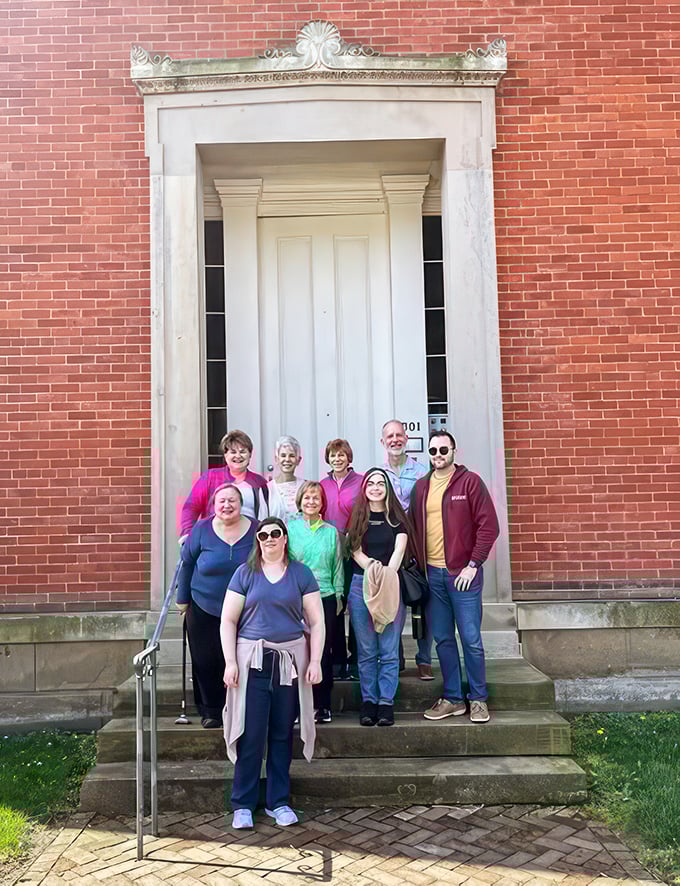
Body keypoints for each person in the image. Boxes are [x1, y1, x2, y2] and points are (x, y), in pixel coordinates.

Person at [221, 517, 324, 830]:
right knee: (251, 734)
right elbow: (228, 620)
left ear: (284, 538)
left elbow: (317, 621)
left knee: (281, 733)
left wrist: (315, 661)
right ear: (257, 540)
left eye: (275, 534)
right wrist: (230, 662)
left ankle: (278, 802)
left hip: (288, 663)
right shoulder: (245, 573)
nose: (269, 539)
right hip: (252, 661)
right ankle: (243, 804)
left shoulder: (300, 574)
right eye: (263, 535)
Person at [410, 430, 500, 724]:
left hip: (462, 575)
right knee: (444, 639)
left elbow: (489, 527)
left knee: (471, 639)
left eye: (443, 450)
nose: (438, 456)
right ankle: (452, 698)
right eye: (433, 451)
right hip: (432, 576)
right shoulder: (421, 487)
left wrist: (473, 564)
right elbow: (412, 528)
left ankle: (478, 699)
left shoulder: (470, 482)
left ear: (454, 451)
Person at [176, 484, 256, 728]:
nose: (227, 505)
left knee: (241, 659)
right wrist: (183, 599)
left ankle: (239, 708)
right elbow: (187, 564)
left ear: (241, 504)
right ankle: (211, 710)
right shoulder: (201, 529)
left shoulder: (256, 529)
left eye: (232, 500)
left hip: (246, 607)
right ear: (213, 505)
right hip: (204, 604)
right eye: (221, 501)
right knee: (206, 659)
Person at [346, 468, 412, 727]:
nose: (375, 487)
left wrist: (383, 575)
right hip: (361, 586)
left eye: (380, 483)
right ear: (364, 488)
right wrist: (374, 570)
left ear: (387, 487)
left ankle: (386, 702)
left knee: (388, 649)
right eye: (370, 483)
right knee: (366, 650)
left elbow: (399, 552)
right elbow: (355, 551)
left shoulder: (397, 518)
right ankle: (369, 701)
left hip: (390, 585)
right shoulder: (357, 517)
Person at [380, 419, 433, 681]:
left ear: (406, 439)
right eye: (390, 436)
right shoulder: (378, 476)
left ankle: (424, 659)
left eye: (399, 435)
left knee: (421, 601)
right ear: (383, 442)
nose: (395, 440)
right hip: (389, 550)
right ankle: (397, 657)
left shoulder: (422, 473)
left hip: (416, 547)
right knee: (392, 603)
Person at [287, 481, 343, 724]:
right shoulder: (289, 529)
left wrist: (339, 594)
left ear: (323, 503)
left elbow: (338, 566)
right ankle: (298, 705)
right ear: (300, 501)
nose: (311, 502)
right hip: (296, 598)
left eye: (316, 498)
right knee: (298, 651)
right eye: (307, 497)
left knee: (323, 651)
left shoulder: (331, 532)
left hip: (325, 597)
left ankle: (322, 705)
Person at [320, 438, 363, 682]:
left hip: (354, 549)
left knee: (355, 603)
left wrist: (352, 538)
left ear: (349, 457)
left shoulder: (360, 481)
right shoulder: (322, 484)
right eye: (333, 455)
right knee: (334, 603)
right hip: (329, 552)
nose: (338, 459)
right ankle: (336, 660)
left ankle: (356, 660)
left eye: (342, 455)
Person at [180, 430, 268, 538]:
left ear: (250, 455)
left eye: (243, 451)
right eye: (233, 452)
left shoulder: (259, 482)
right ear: (225, 455)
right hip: (214, 539)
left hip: (249, 541)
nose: (238, 456)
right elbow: (191, 507)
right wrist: (187, 535)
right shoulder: (210, 477)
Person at [267, 435, 306, 523]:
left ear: (298, 460)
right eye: (283, 455)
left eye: (292, 456)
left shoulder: (305, 487)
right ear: (276, 459)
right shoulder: (266, 490)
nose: (287, 459)